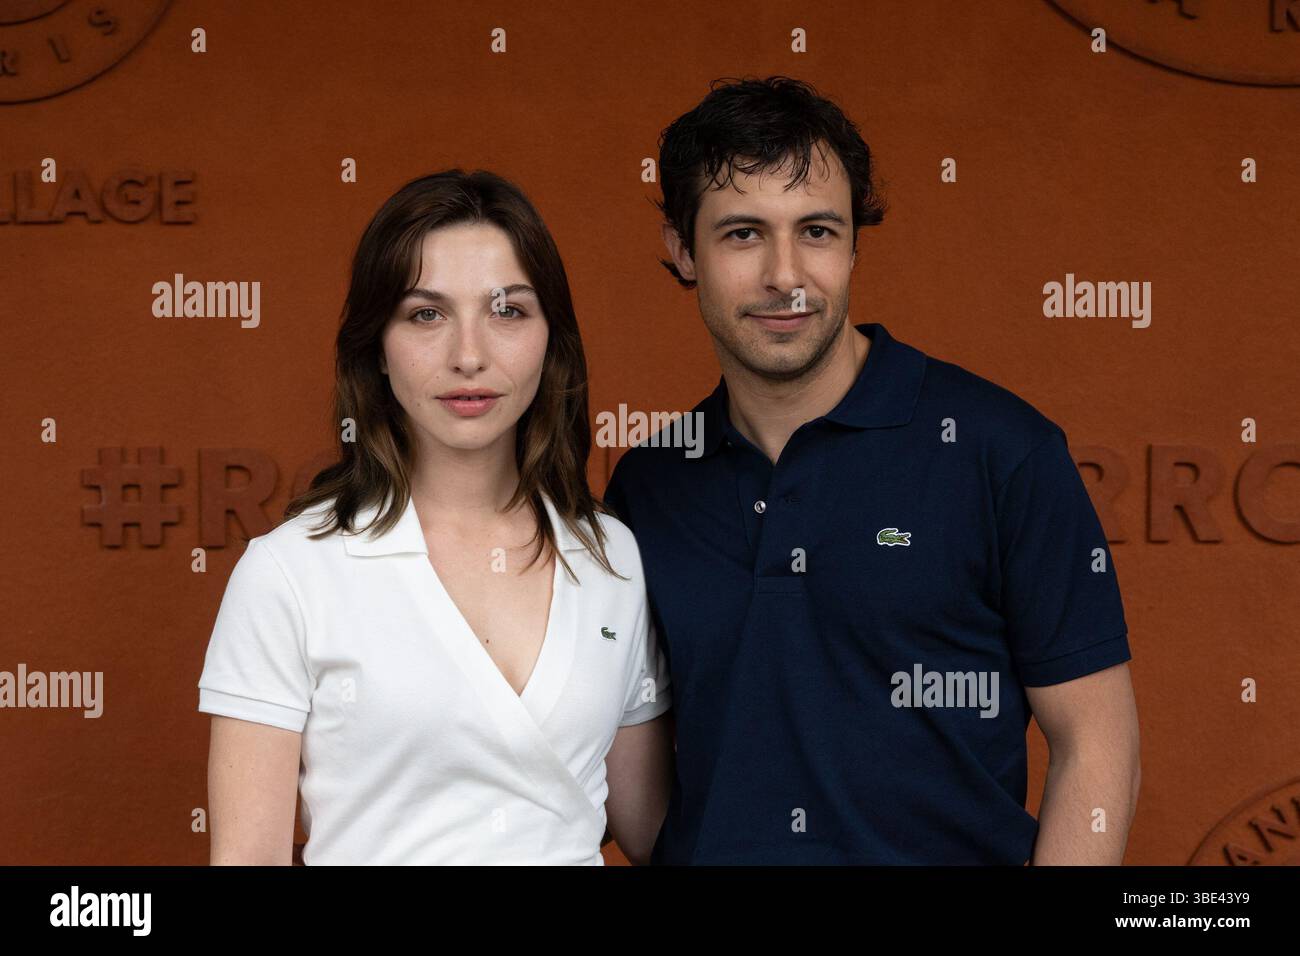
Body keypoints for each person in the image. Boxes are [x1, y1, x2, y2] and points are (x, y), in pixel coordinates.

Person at [602, 76, 1141, 865]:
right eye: (743, 234)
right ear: (683, 250)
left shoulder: (1000, 449)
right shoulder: (649, 486)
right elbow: (640, 774)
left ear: (855, 242)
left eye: (817, 231)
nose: (786, 275)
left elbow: (1098, 740)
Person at [197, 170, 673, 865]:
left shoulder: (611, 557)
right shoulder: (291, 573)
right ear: (377, 351)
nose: (469, 355)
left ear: (551, 339)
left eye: (508, 310)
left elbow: (658, 832)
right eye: (426, 314)